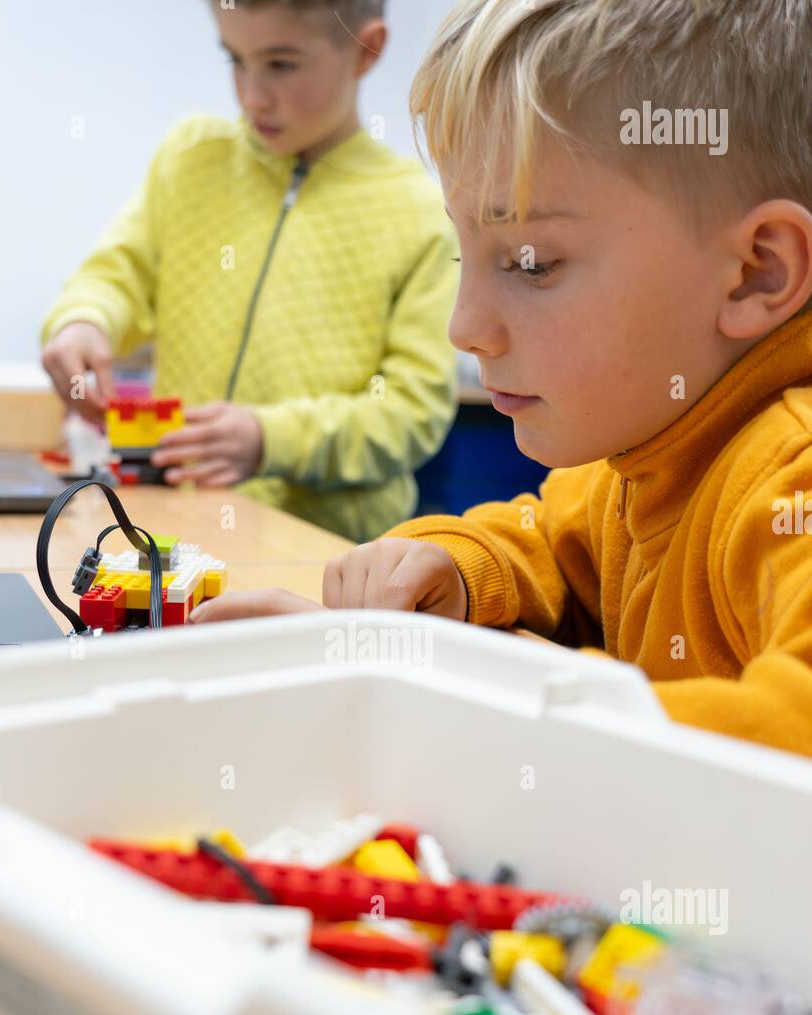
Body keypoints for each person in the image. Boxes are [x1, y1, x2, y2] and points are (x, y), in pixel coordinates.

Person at [196, 0, 812, 760]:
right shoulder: (647, 454)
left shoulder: (793, 475)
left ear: (757, 272)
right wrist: (452, 567)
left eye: (531, 263)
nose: (464, 328)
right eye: (467, 254)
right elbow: (547, 542)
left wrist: (441, 684)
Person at [41, 0, 459, 542]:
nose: (252, 95)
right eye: (235, 59)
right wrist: (83, 320)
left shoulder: (419, 212)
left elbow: (412, 411)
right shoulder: (191, 158)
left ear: (365, 49)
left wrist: (271, 439)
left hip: (325, 556)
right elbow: (115, 274)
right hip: (171, 529)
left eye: (281, 64)